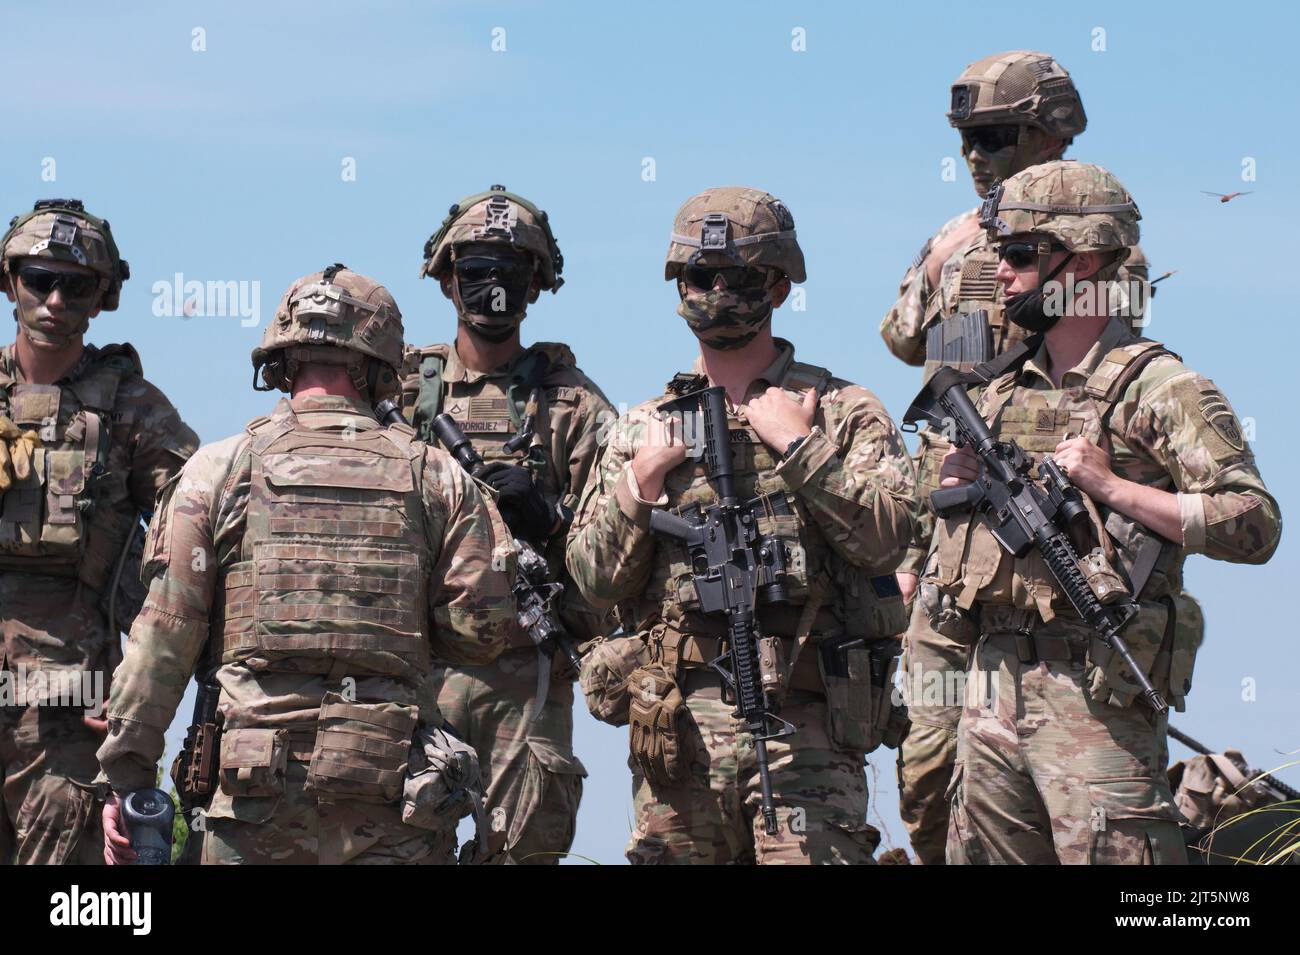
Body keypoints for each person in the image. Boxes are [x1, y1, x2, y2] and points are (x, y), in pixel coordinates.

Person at [97, 265, 516, 864]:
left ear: (284, 358)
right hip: (394, 799)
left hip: (253, 800)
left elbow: (164, 635)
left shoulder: (219, 470)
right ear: (378, 365)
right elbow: (479, 633)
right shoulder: (439, 476)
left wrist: (128, 774)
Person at [932, 161, 1280, 864]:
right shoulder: (997, 392)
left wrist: (1114, 487)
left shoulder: (1162, 386)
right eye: (1001, 254)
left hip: (1096, 694)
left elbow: (1253, 522)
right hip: (991, 685)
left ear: (1083, 259)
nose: (1002, 272)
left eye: (1021, 255)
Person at [567, 186, 915, 864]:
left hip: (806, 731)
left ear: (780, 286)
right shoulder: (644, 426)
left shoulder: (841, 411)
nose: (718, 291)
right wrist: (639, 485)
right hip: (677, 737)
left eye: (741, 277)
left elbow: (892, 537)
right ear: (679, 284)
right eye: (701, 276)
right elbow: (592, 580)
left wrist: (800, 448)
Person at [879, 52, 1155, 863]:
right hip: (954, 528)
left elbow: (1119, 333)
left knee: (1065, 779)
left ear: (1048, 131)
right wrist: (941, 255)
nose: (975, 155)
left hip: (1044, 534)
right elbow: (902, 339)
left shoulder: (1101, 241)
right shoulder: (960, 241)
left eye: (993, 135)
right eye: (967, 137)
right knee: (927, 760)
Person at [401, 186, 614, 863]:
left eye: (510, 272)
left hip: (526, 673)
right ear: (446, 278)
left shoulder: (573, 404)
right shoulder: (400, 392)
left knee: (527, 850)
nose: (492, 287)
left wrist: (549, 518)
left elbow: (618, 556)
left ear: (537, 285)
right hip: (412, 666)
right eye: (478, 270)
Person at [0, 199, 197, 864]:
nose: (55, 299)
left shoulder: (131, 408)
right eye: (39, 279)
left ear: (102, 297)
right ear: (10, 281)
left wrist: (141, 687)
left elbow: (201, 538)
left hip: (70, 707)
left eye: (77, 285)